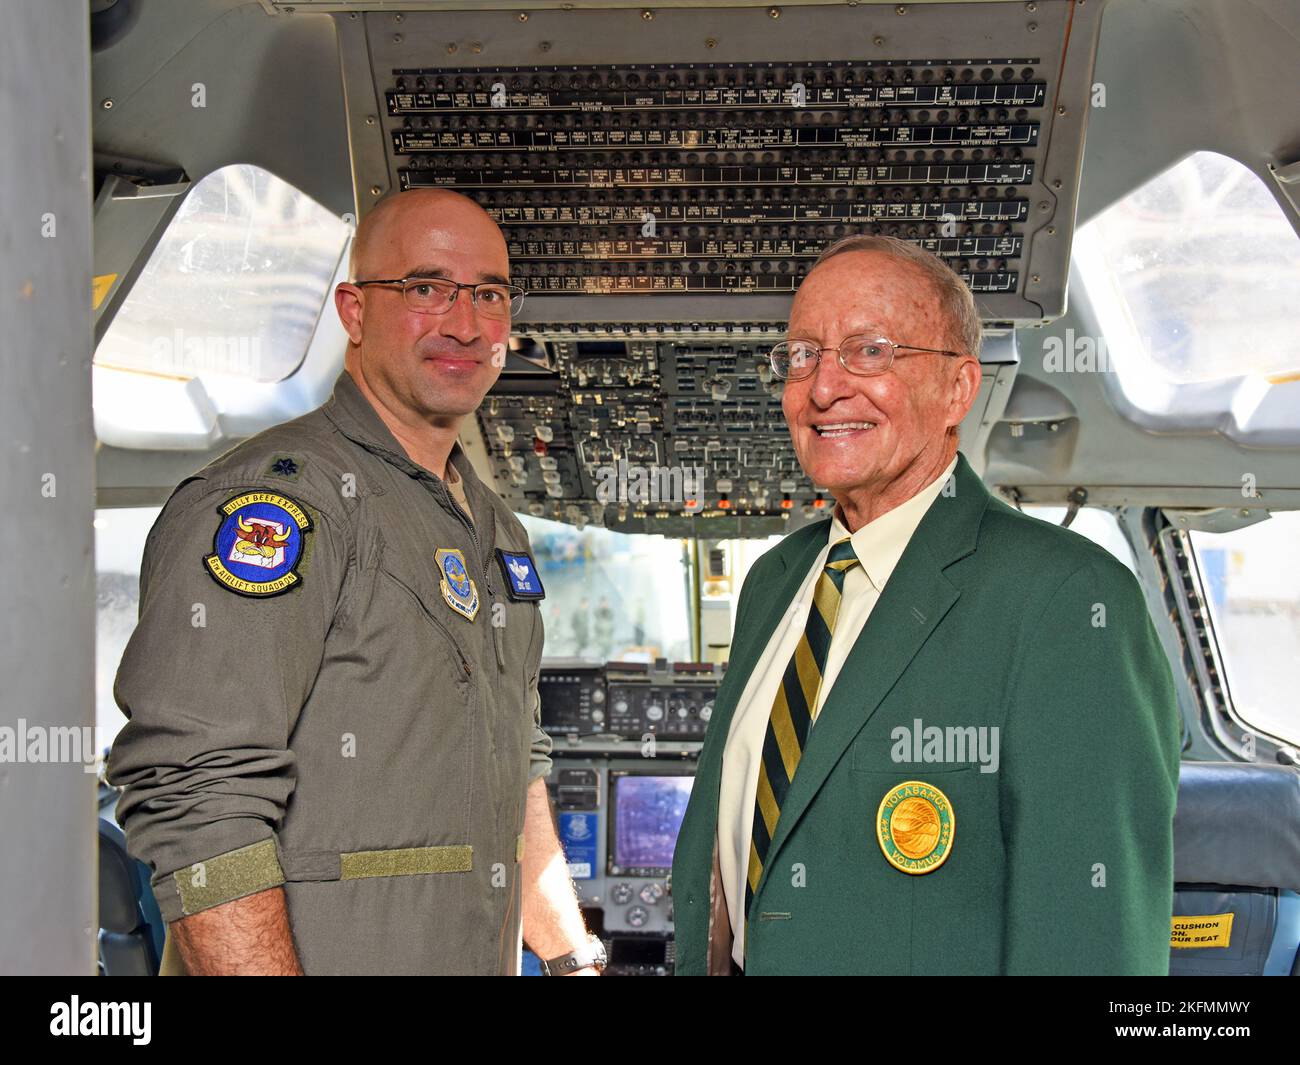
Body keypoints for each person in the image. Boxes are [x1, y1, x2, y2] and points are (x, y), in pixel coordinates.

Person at [108, 188, 605, 976]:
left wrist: (573, 955)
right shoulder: (279, 505)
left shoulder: (494, 527)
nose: (465, 323)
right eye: (425, 287)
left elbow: (520, 757)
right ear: (353, 310)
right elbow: (198, 795)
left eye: (489, 294)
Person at [671, 235, 1181, 975]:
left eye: (869, 351)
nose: (823, 387)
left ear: (959, 389)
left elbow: (1091, 940)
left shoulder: (1069, 601)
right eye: (803, 354)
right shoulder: (775, 581)